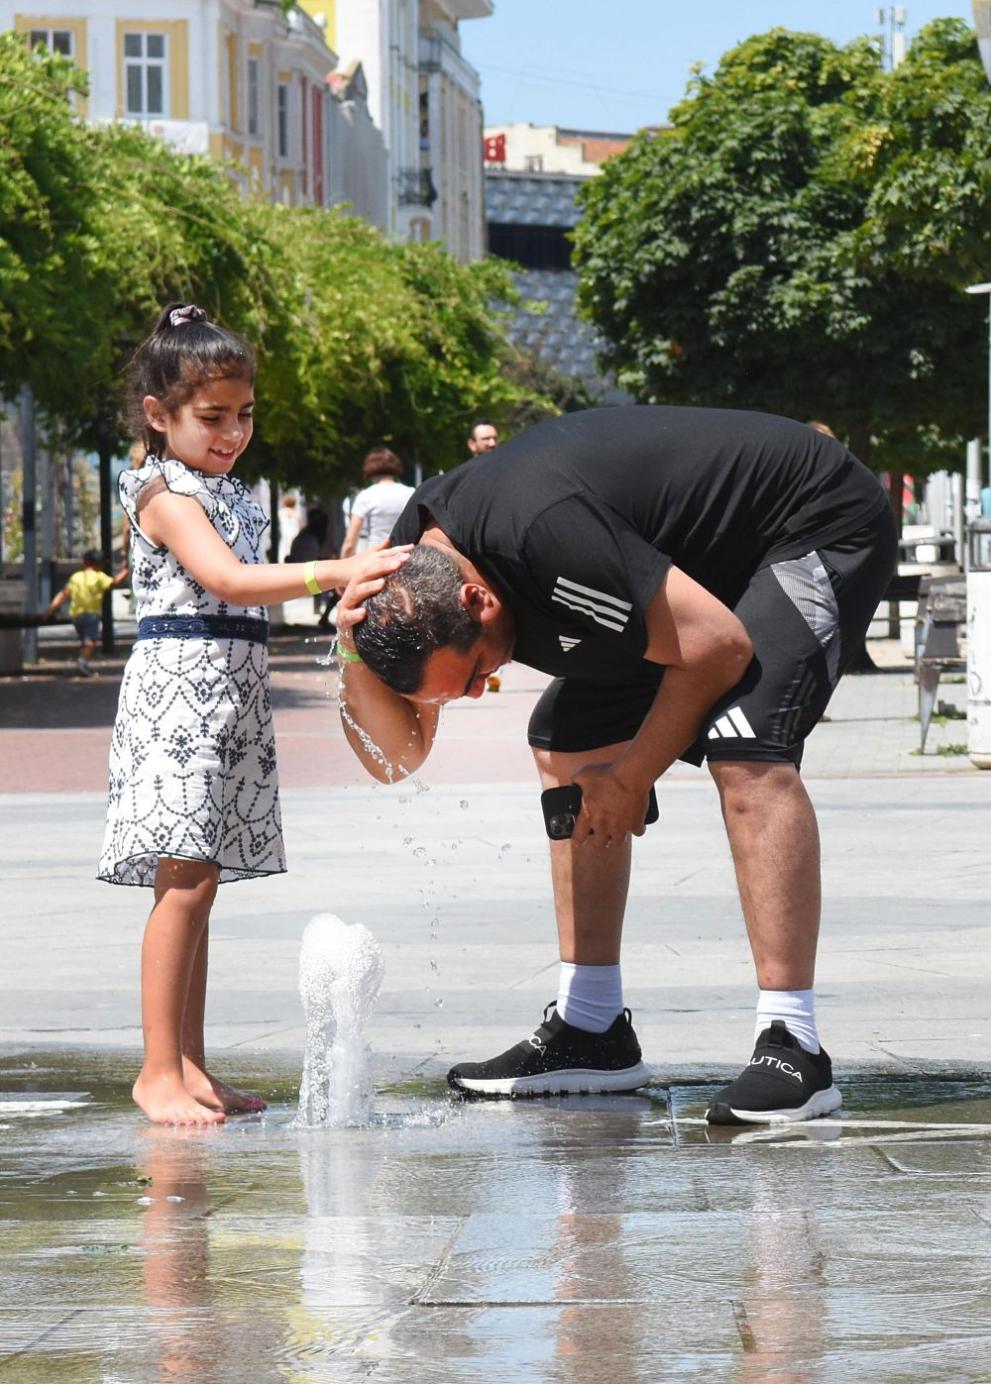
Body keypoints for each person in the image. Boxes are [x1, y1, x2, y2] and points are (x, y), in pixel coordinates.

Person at [333, 406, 897, 1125]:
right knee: (565, 742)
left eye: (475, 675)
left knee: (743, 743)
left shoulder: (542, 533)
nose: (479, 693)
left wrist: (631, 777)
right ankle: (591, 1027)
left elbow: (716, 645)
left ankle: (792, 1043)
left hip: (809, 521)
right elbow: (396, 759)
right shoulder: (408, 574)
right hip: (686, 570)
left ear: (478, 598)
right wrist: (347, 644)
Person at [97, 302, 410, 1126]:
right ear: (158, 416)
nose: (232, 431)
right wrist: (345, 568)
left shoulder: (225, 488)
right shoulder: (161, 490)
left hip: (230, 693)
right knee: (184, 881)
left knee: (202, 883)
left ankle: (189, 1065)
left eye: (244, 415)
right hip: (178, 692)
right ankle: (157, 1070)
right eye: (211, 417)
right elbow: (230, 582)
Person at [45, 548, 129, 676]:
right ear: (100, 564)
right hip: (91, 614)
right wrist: (125, 571)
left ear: (85, 562)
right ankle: (82, 663)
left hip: (76, 615)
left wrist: (51, 610)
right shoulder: (99, 576)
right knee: (90, 641)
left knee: (85, 640)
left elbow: (63, 594)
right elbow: (115, 582)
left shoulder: (76, 577)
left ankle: (82, 661)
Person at [339, 448, 415, 560]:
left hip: (375, 560)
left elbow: (350, 542)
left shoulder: (365, 496)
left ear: (369, 469)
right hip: (405, 558)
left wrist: (343, 566)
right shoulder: (411, 493)